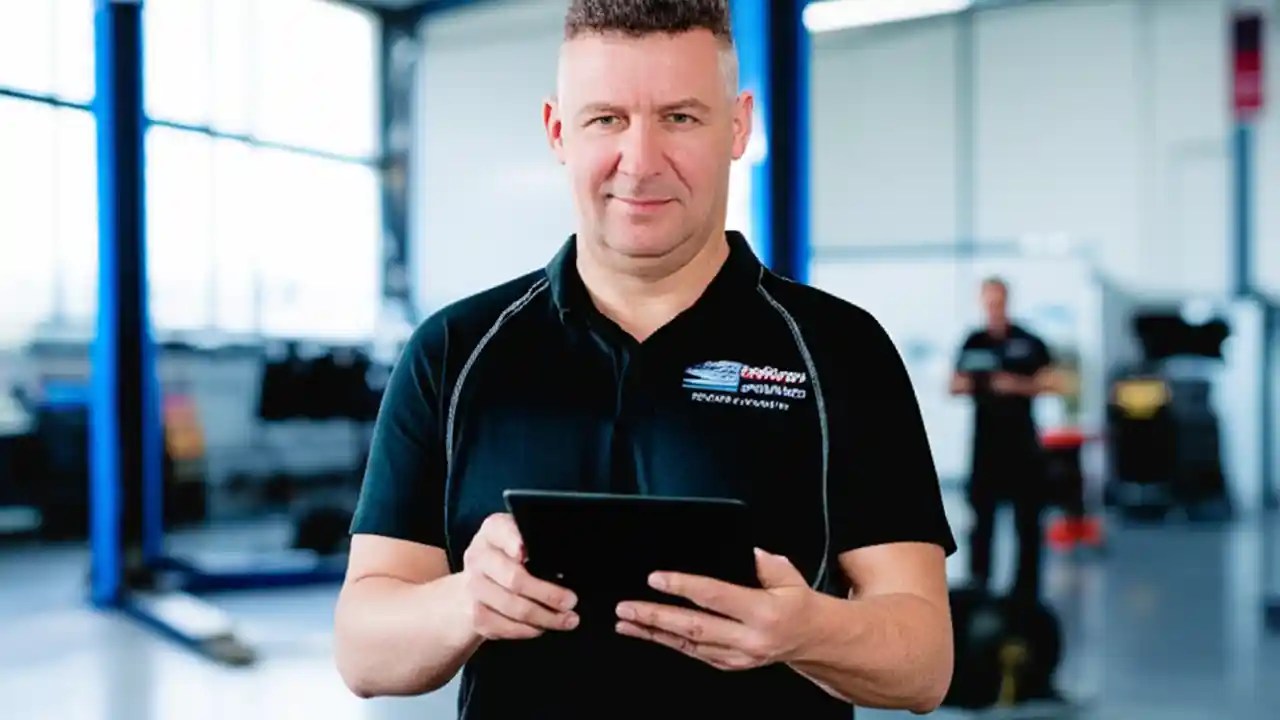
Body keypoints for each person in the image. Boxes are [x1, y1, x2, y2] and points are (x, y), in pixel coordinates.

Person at [334, 1, 957, 717]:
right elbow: (362, 649)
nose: (641, 160)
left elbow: (924, 663)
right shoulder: (454, 352)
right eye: (607, 118)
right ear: (558, 131)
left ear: (739, 126)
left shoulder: (840, 351)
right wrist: (465, 602)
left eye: (680, 117)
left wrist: (805, 630)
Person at [950, 277, 1059, 601]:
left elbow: (1054, 382)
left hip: (1023, 445)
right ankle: (979, 587)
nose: (994, 307)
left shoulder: (1028, 341)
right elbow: (953, 385)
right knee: (981, 520)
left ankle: (1026, 593)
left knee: (1027, 522)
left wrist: (1015, 386)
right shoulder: (974, 341)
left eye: (999, 301)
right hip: (986, 445)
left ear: (1007, 300)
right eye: (989, 301)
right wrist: (978, 385)